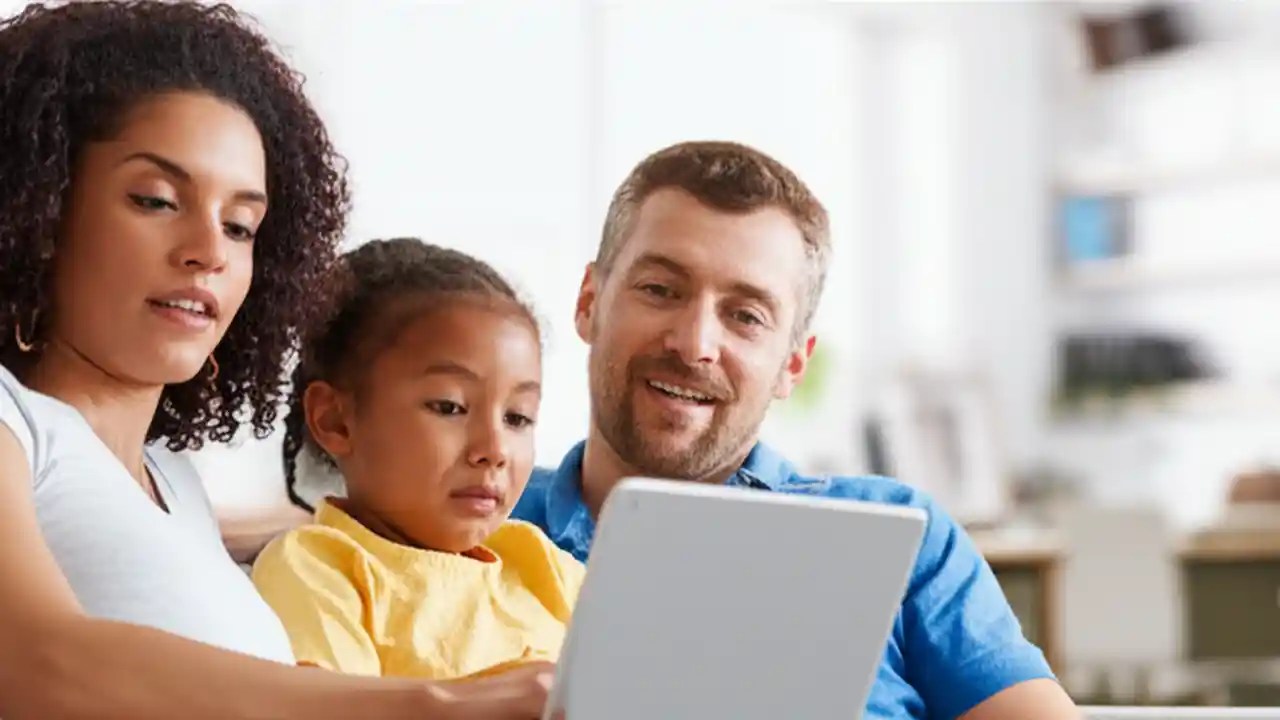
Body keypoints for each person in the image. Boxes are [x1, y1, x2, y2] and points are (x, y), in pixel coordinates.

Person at [0, 2, 551, 718]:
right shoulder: (14, 422)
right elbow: (34, 662)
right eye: (157, 200)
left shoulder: (174, 483)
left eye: (240, 225)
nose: (209, 250)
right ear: (40, 206)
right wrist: (436, 704)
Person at [510, 141, 1082, 720]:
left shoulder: (901, 539)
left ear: (792, 364)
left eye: (746, 315)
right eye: (661, 290)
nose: (694, 344)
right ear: (589, 303)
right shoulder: (464, 519)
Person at [254, 238, 584, 680]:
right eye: (449, 407)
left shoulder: (542, 564)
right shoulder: (319, 568)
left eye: (518, 417)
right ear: (335, 421)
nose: (495, 449)